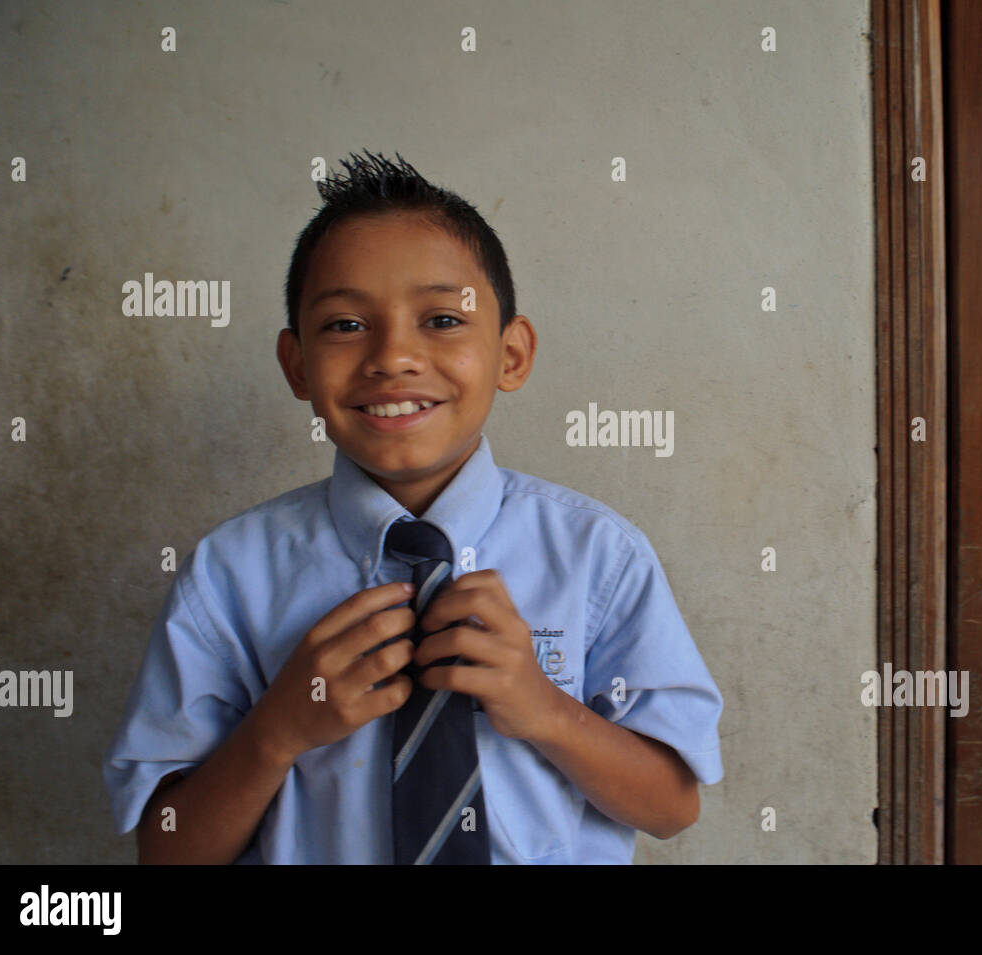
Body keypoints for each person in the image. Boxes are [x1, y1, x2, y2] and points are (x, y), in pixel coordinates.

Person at [102, 150, 724, 864]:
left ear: (512, 354)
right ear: (297, 364)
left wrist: (545, 708)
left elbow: (673, 806)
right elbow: (169, 849)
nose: (393, 356)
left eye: (440, 318)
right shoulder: (231, 573)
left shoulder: (598, 557)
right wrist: (276, 730)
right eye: (343, 325)